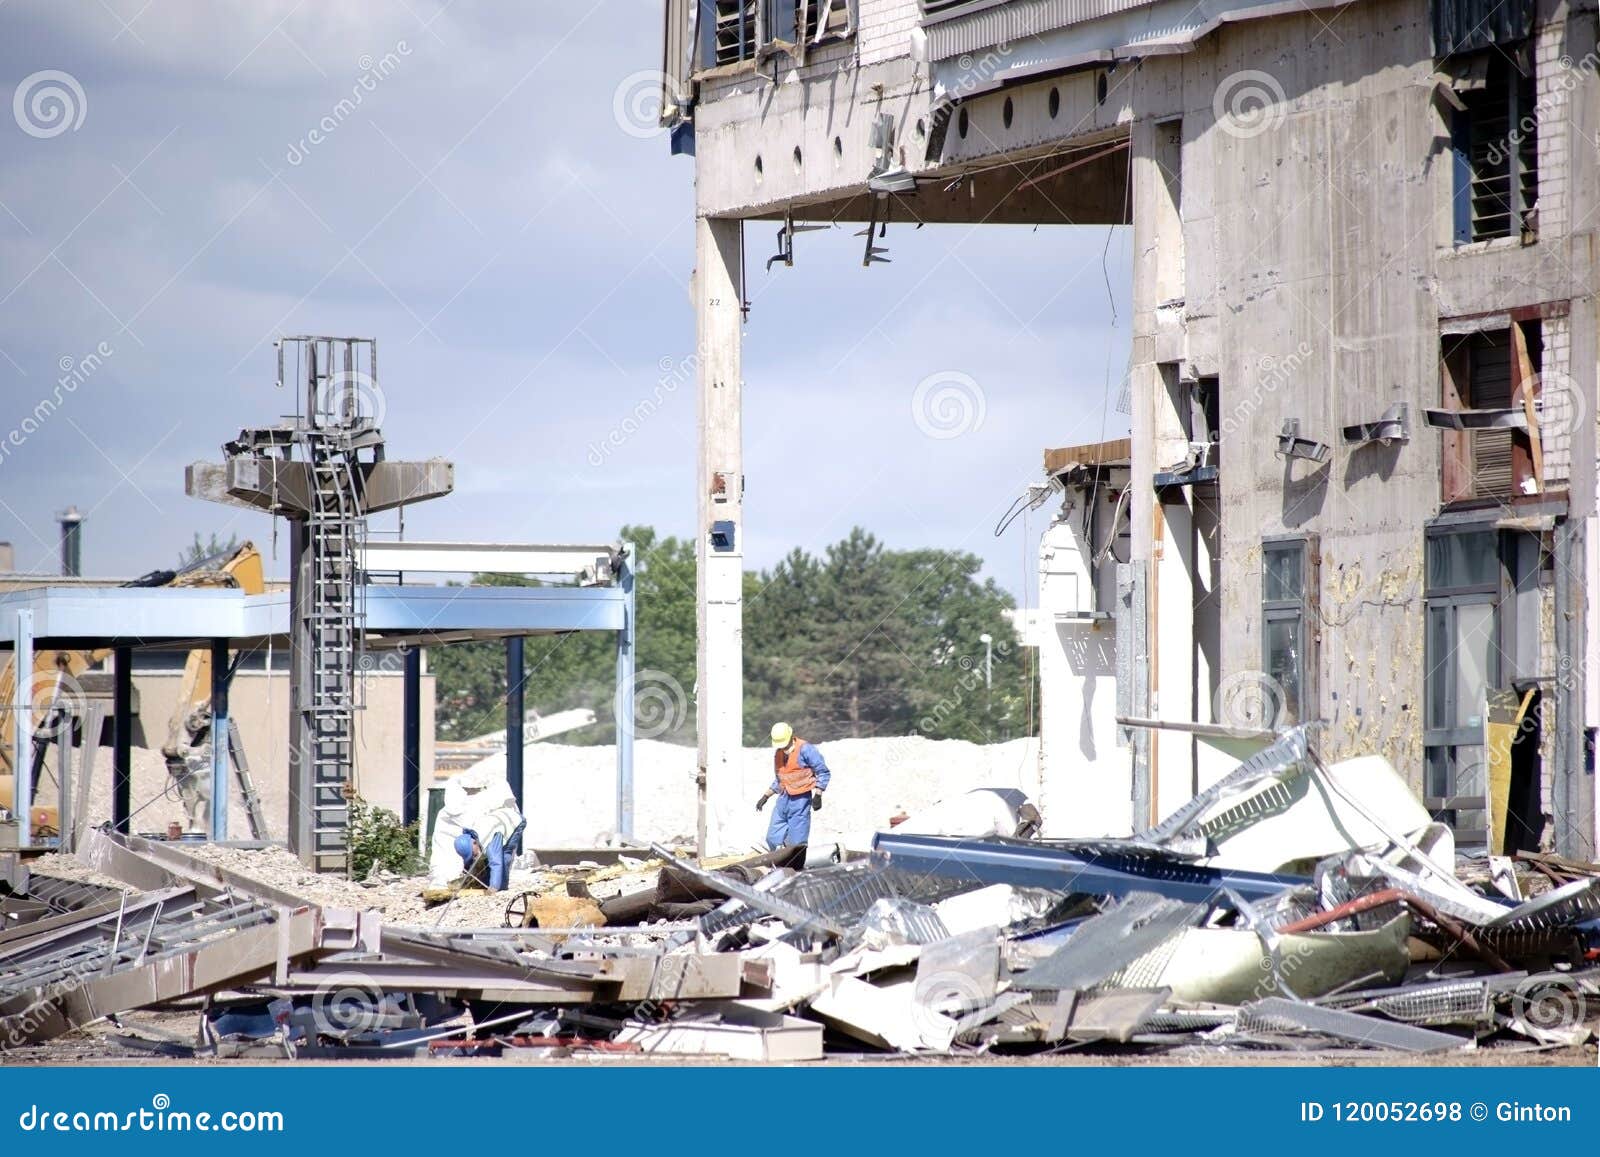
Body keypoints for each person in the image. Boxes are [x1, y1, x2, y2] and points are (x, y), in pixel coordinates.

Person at [756, 722, 831, 848]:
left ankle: (794, 863)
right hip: (783, 800)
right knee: (772, 838)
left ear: (790, 737)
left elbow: (823, 772)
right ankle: (780, 859)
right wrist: (766, 796)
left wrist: (818, 795)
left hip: (800, 800)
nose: (782, 747)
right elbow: (781, 779)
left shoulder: (806, 749)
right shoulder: (779, 753)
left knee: (797, 844)